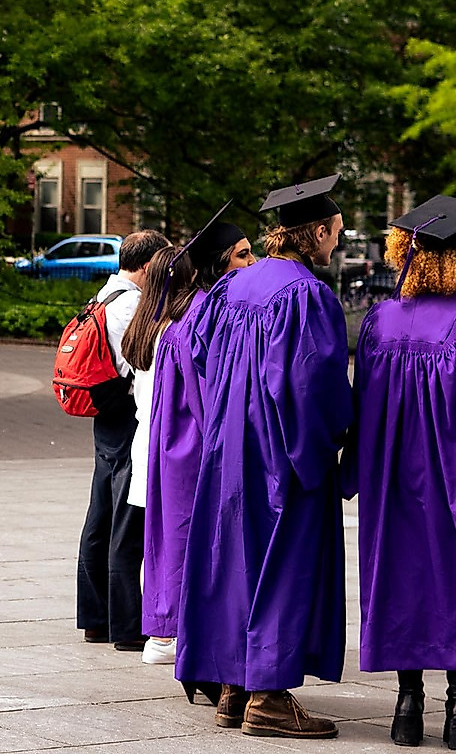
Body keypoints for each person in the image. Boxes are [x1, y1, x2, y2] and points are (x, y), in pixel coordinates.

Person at [177, 175, 352, 739]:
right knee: (283, 561)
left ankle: (234, 686)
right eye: (336, 232)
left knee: (238, 558)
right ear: (317, 232)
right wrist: (335, 438)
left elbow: (199, 352)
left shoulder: (233, 285)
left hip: (229, 447)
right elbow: (314, 383)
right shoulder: (307, 294)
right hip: (282, 450)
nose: (338, 243)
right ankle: (270, 698)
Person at [341, 195, 456, 749]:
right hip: (447, 480)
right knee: (450, 581)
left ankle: (407, 704)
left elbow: (362, 403)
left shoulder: (380, 321)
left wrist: (355, 472)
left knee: (400, 580)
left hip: (389, 484)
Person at [143, 209, 257, 688]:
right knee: (193, 536)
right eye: (243, 255)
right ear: (219, 262)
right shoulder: (204, 314)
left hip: (174, 440)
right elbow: (206, 395)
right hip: (194, 442)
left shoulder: (185, 310)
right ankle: (181, 635)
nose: (253, 262)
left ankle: (167, 629)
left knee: (174, 532)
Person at [76, 228, 171, 651]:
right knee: (127, 521)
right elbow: (144, 366)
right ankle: (127, 624)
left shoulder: (104, 295)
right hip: (128, 416)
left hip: (106, 416)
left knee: (100, 516)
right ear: (148, 266)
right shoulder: (132, 305)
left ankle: (96, 618)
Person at [119, 242, 197, 667]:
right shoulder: (177, 331)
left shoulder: (144, 326)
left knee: (155, 542)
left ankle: (158, 629)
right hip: (172, 442)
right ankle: (166, 632)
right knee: (172, 541)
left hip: (146, 438)